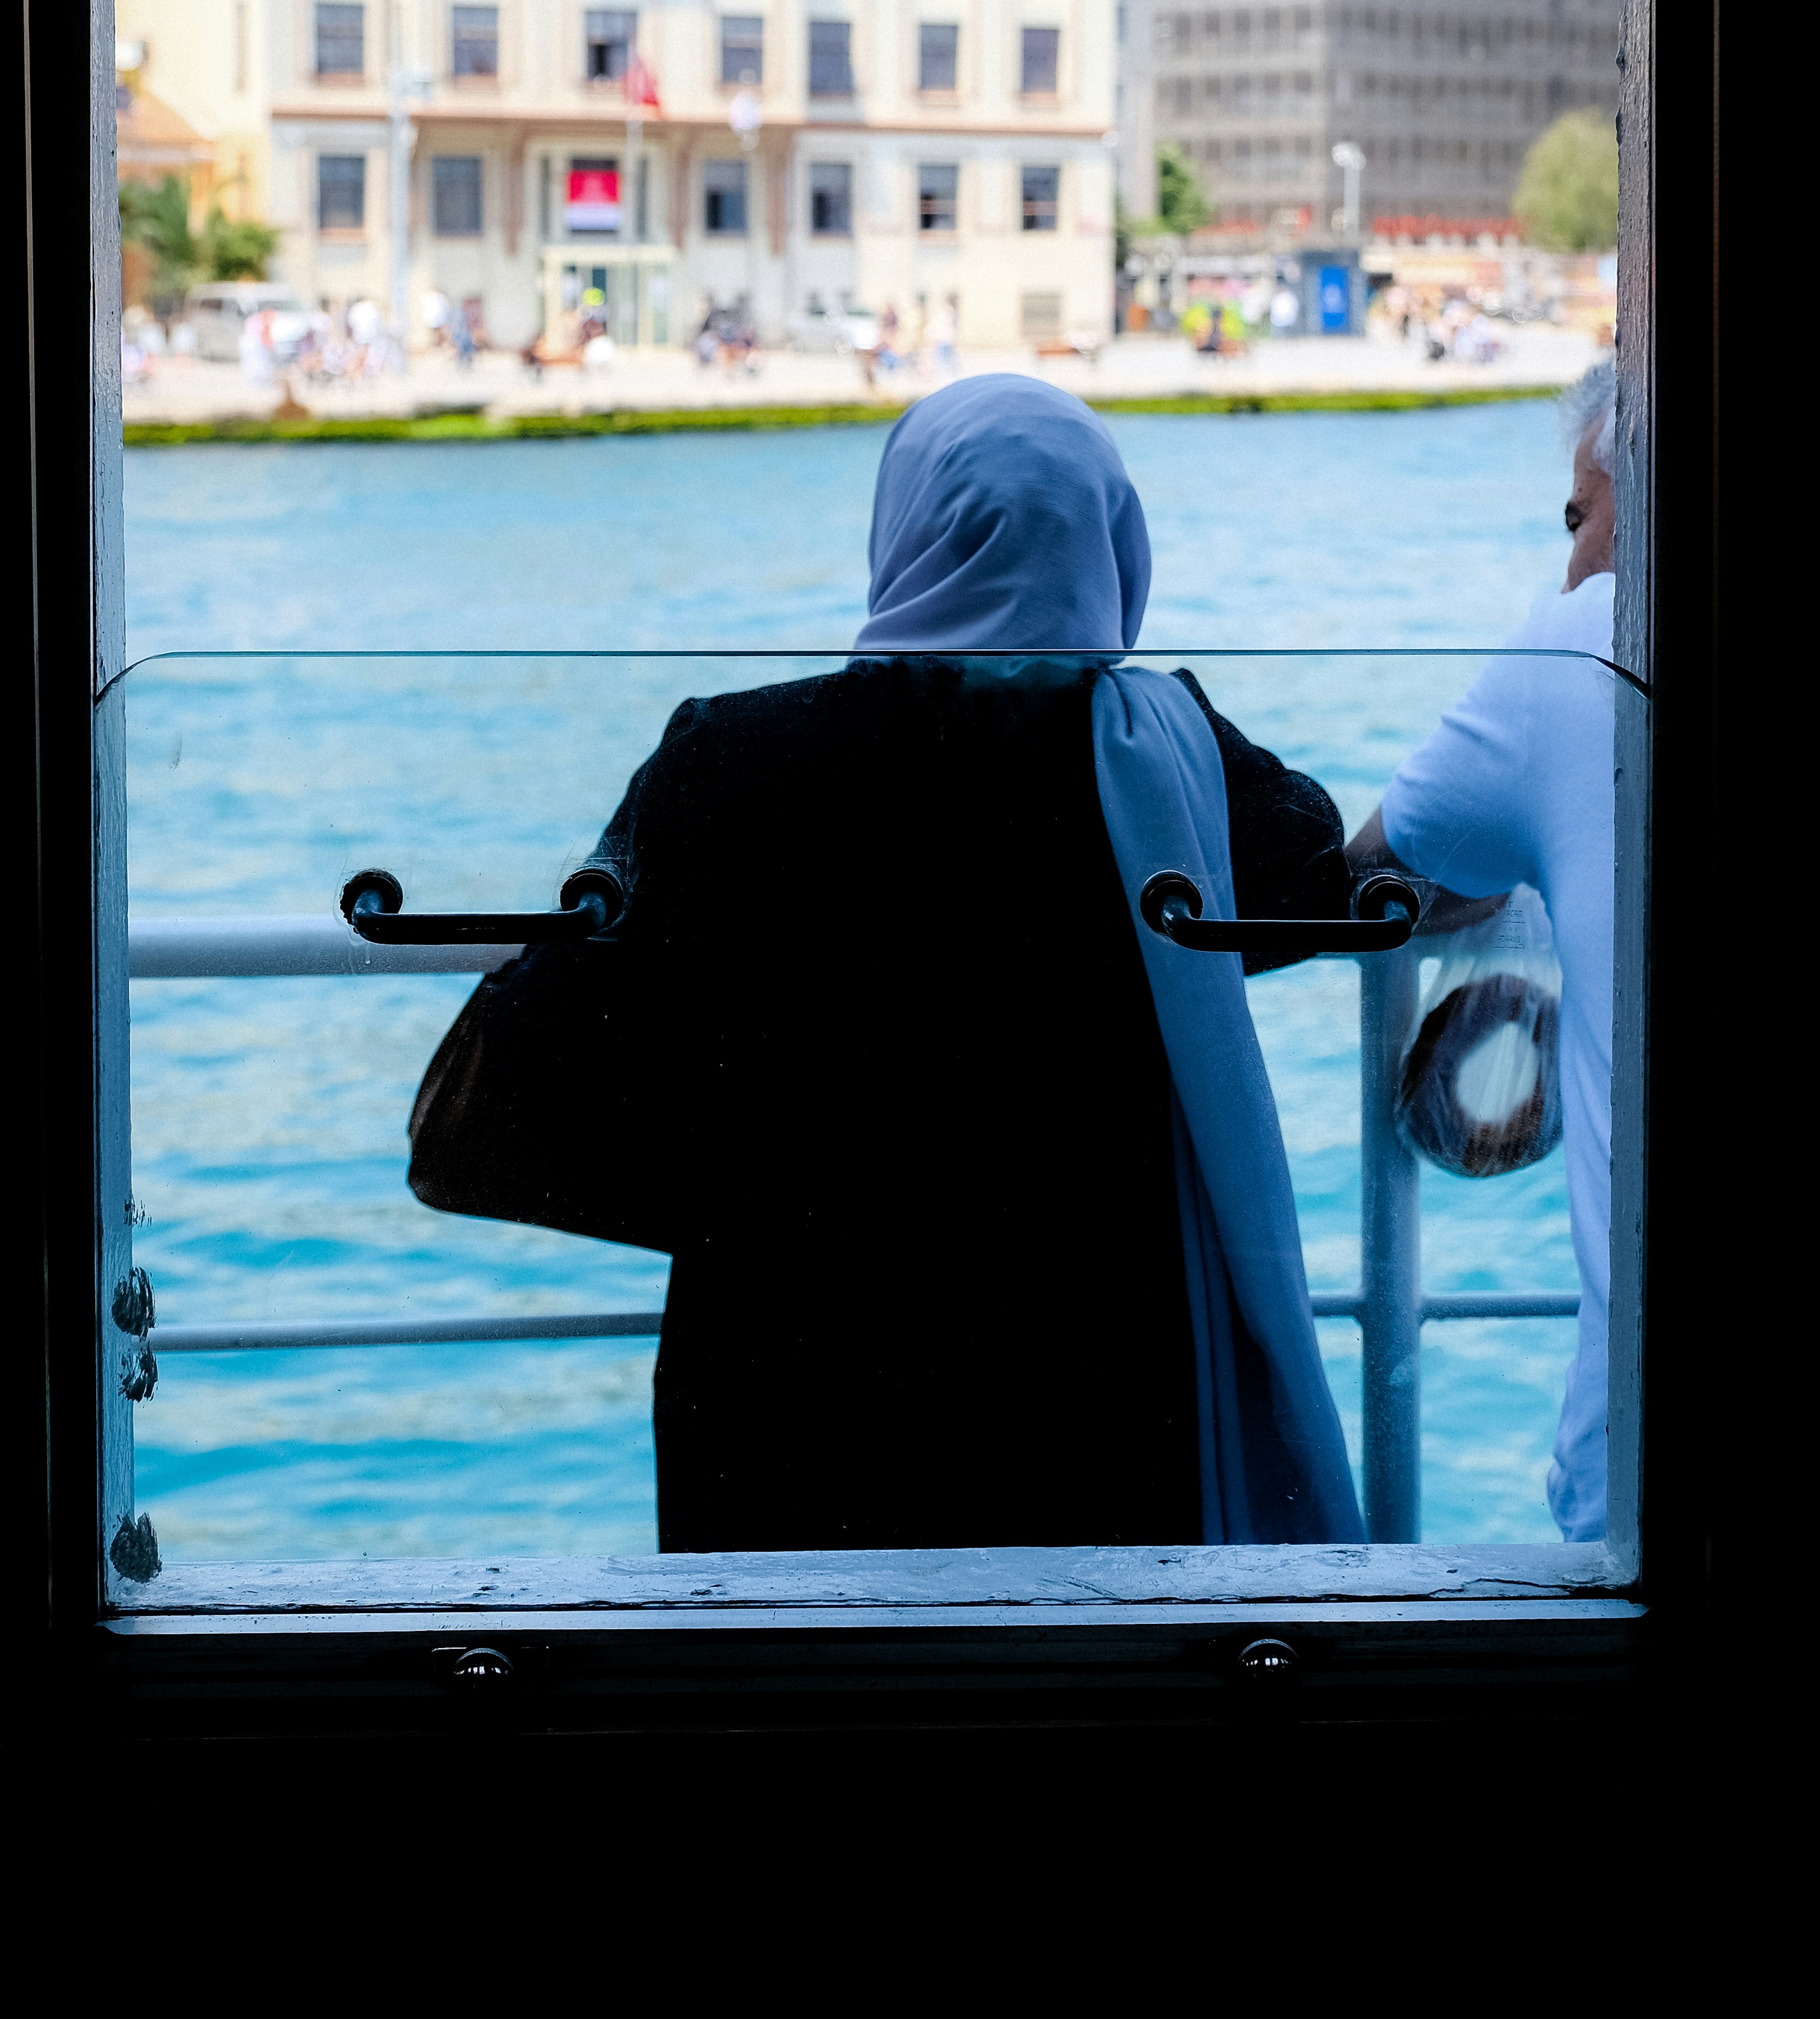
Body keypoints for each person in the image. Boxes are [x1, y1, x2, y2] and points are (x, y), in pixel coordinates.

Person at [408, 375, 1363, 1555]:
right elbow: (1330, 878)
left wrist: (763, 1201)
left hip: (793, 1409)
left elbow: (489, 1113)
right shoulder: (1172, 767)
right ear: (1116, 548)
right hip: (1099, 1405)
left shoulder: (738, 756)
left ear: (901, 533)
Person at [1344, 359, 1618, 1541]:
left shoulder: (1590, 634)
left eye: (1578, 517)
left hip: (1651, 1475)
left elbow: (1381, 869)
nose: (1569, 560)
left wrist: (1530, 866)